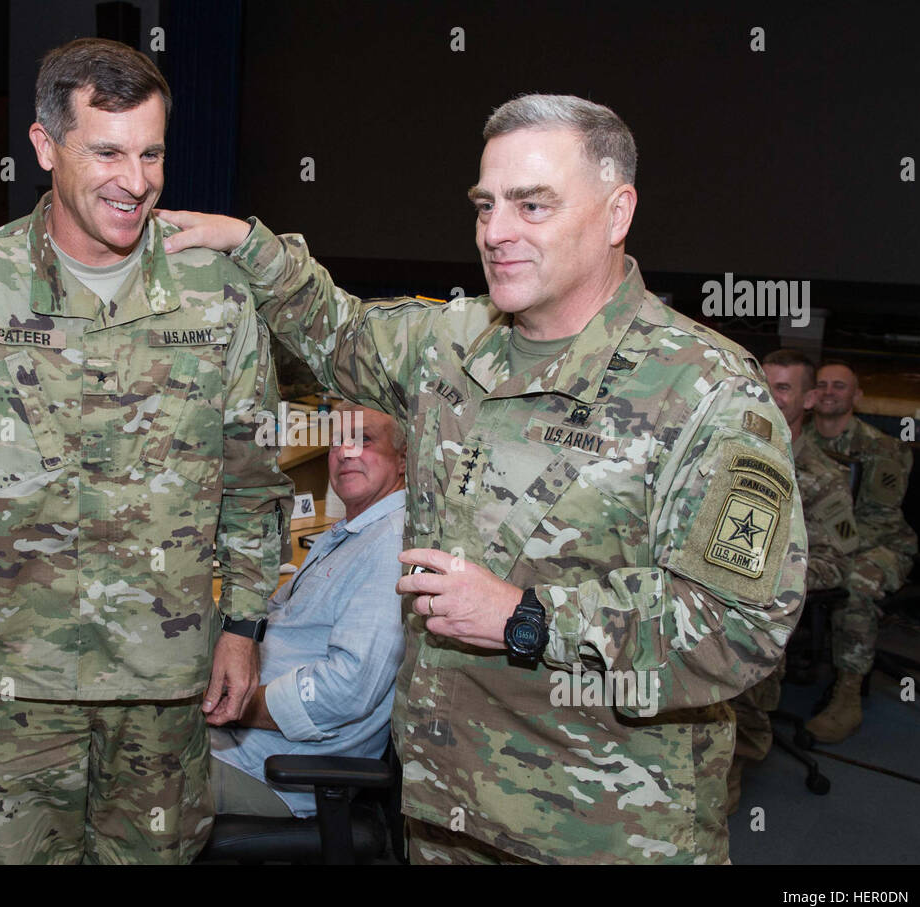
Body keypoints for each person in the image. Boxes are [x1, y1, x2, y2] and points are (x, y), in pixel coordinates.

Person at [161, 92, 807, 864]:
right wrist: (245, 242)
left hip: (601, 831)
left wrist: (525, 615)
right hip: (442, 812)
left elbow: (742, 624)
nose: (496, 233)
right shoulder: (454, 343)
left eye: (532, 206)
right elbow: (338, 331)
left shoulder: (706, 390)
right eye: (485, 205)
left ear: (616, 212)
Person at [0, 38, 291, 865]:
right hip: (10, 680)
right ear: (46, 147)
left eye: (151, 152)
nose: (137, 179)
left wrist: (246, 624)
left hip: (164, 676)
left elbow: (252, 480)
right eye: (107, 150)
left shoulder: (216, 294)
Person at [210, 404, 406, 817]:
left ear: (403, 460)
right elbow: (279, 620)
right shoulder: (347, 535)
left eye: (364, 440)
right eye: (337, 440)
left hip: (277, 771)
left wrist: (233, 707)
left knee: (121, 785)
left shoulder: (391, 545)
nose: (344, 452)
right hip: (240, 747)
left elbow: (348, 689)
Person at [727, 350, 859, 811]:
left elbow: (835, 564)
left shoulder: (821, 478)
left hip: (763, 607)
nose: (769, 393)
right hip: (703, 592)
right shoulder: (725, 449)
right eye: (763, 382)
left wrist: (768, 577)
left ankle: (727, 777)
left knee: (739, 668)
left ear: (808, 400)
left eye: (783, 388)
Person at [806, 360, 917, 742]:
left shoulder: (881, 448)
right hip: (822, 541)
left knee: (854, 582)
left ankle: (848, 694)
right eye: (821, 384)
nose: (829, 392)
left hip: (881, 545)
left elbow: (880, 520)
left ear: (857, 396)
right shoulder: (799, 439)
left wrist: (828, 550)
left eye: (840, 386)